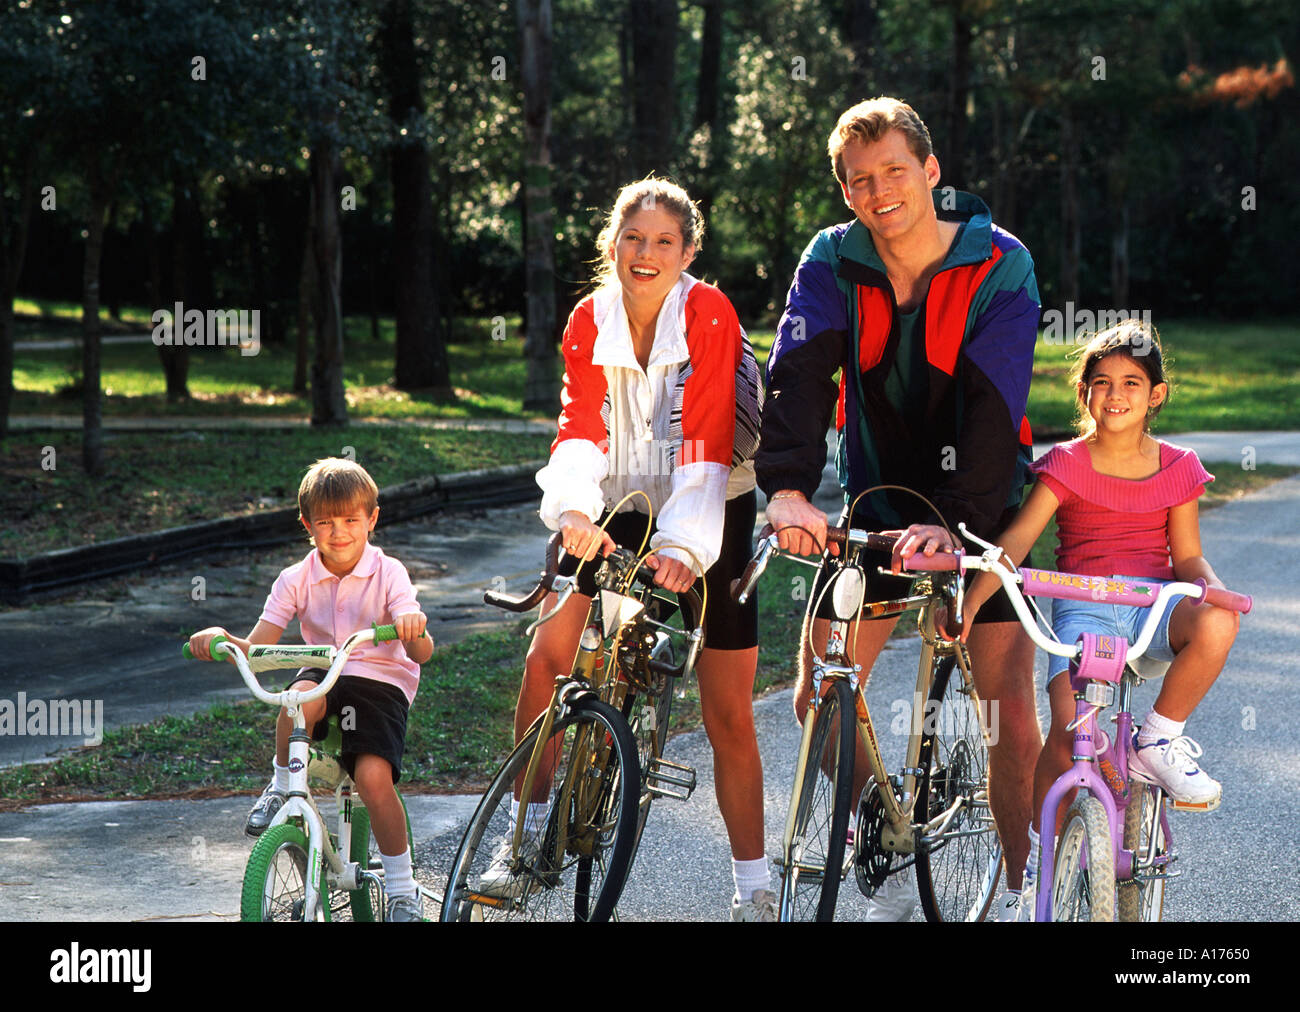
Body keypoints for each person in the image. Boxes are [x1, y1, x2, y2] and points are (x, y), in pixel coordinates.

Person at [756, 97, 1042, 920]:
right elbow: (798, 373)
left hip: (981, 507)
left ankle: (1022, 889)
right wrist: (787, 488)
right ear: (845, 191)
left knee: (1007, 718)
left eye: (893, 171)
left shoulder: (1001, 262)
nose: (878, 192)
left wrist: (954, 520)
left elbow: (993, 407)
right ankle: (880, 827)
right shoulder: (832, 259)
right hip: (877, 504)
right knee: (820, 689)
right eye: (859, 180)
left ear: (930, 171)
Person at [494, 176, 771, 921]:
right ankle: (519, 840)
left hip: (715, 502)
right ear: (613, 244)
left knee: (727, 710)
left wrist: (684, 546)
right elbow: (579, 425)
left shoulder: (708, 313)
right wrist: (574, 510)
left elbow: (705, 441)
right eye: (634, 238)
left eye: (664, 241)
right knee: (547, 657)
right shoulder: (589, 317)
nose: (646, 253)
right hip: (617, 501)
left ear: (687, 252)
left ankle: (754, 887)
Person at [956, 321, 1240, 919]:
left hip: (1153, 609)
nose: (1116, 394)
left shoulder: (1178, 466)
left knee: (1218, 622)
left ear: (1156, 395)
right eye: (1103, 382)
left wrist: (1211, 589)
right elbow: (1015, 543)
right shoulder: (1066, 463)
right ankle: (1038, 865)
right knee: (1068, 736)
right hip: (1083, 609)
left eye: (1132, 382)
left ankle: (1156, 739)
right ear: (1084, 392)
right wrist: (972, 603)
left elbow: (1187, 558)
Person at [188, 457, 433, 922]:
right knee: (298, 699)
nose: (339, 533)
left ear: (372, 519)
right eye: (325, 522)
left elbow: (422, 652)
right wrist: (223, 639)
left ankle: (403, 890)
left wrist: (412, 627)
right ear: (307, 524)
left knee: (372, 779)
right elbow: (258, 648)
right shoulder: (294, 579)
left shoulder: (389, 573)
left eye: (351, 521)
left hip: (379, 680)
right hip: (323, 672)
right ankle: (284, 784)